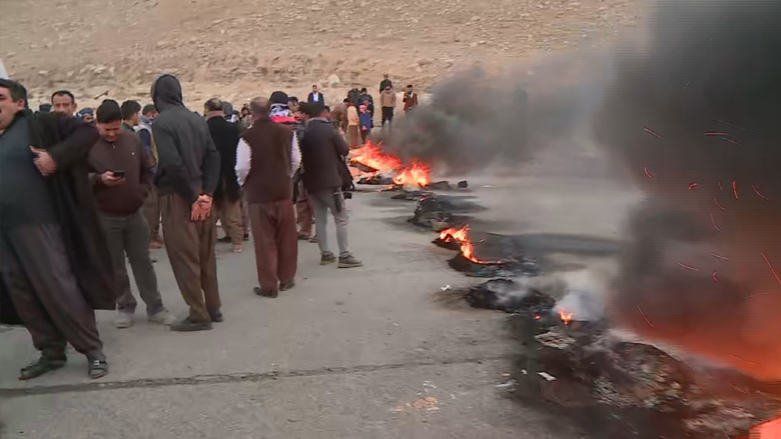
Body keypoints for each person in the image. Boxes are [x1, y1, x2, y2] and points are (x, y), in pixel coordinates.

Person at [0, 78, 114, 380]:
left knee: (59, 288)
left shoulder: (40, 124)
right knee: (22, 292)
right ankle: (50, 351)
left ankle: (92, 351)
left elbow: (87, 132)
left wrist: (56, 157)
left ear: (18, 103)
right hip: (3, 231)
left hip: (40, 224)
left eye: (0, 98)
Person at [89, 100, 176, 329]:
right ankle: (125, 306)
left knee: (143, 262)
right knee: (115, 265)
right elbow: (77, 180)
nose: (111, 134)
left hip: (135, 213)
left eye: (115, 129)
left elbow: (147, 171)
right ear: (97, 124)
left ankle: (155, 307)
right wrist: (99, 180)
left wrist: (141, 193)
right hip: (105, 216)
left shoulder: (132, 139)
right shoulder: (86, 145)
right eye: (106, 129)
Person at [151, 74, 222, 331]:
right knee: (205, 254)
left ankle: (198, 313)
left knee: (185, 257)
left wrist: (192, 197)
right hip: (203, 195)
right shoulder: (196, 119)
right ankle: (213, 307)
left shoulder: (161, 124)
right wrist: (207, 195)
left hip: (179, 198)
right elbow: (213, 157)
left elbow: (171, 163)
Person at [235, 97, 300, 298]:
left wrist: (244, 183)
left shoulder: (247, 137)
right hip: (283, 192)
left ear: (252, 113)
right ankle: (286, 278)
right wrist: (286, 176)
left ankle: (269, 285)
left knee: (264, 242)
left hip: (258, 195)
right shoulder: (287, 133)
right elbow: (296, 160)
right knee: (287, 238)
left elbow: (242, 167)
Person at [300, 103, 362, 268]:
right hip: (331, 183)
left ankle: (325, 254)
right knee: (340, 218)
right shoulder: (329, 131)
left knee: (320, 219)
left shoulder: (304, 132)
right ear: (323, 113)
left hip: (312, 183)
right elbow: (344, 150)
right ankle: (344, 255)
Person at [204, 98, 244, 253]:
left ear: (207, 109)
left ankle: (209, 243)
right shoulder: (234, 128)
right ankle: (237, 242)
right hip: (230, 173)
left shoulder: (203, 128)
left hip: (209, 175)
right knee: (233, 210)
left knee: (210, 212)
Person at [137, 104, 163, 249]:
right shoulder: (144, 130)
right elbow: (146, 153)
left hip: (153, 171)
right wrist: (152, 170)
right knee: (151, 207)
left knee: (155, 206)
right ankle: (149, 237)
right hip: (151, 173)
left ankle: (154, 234)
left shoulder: (148, 128)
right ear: (151, 114)